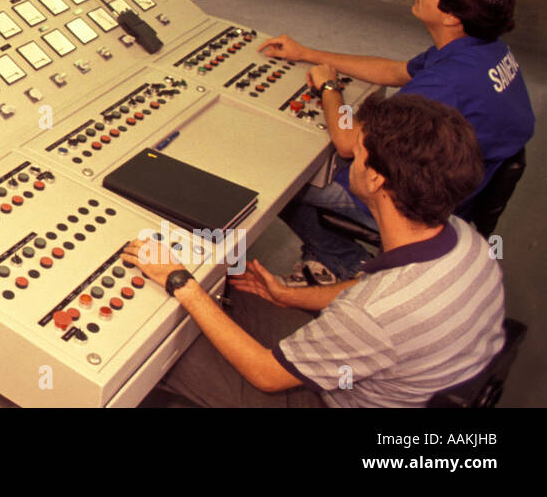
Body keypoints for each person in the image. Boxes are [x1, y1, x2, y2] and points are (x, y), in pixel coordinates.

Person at [129, 93, 505, 408]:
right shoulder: (462, 235)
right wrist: (289, 296)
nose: (351, 160)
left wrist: (180, 280)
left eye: (357, 154)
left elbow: (267, 374)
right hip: (420, 367)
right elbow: (370, 290)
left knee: (150, 356)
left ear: (375, 178)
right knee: (228, 290)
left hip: (333, 400)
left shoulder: (373, 315)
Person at [259, 0, 534, 282]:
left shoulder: (449, 81)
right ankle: (330, 257)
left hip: (417, 207)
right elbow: (395, 71)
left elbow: (347, 143)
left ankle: (349, 268)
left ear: (450, 16)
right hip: (457, 186)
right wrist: (308, 54)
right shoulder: (483, 47)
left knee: (281, 178)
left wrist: (330, 88)